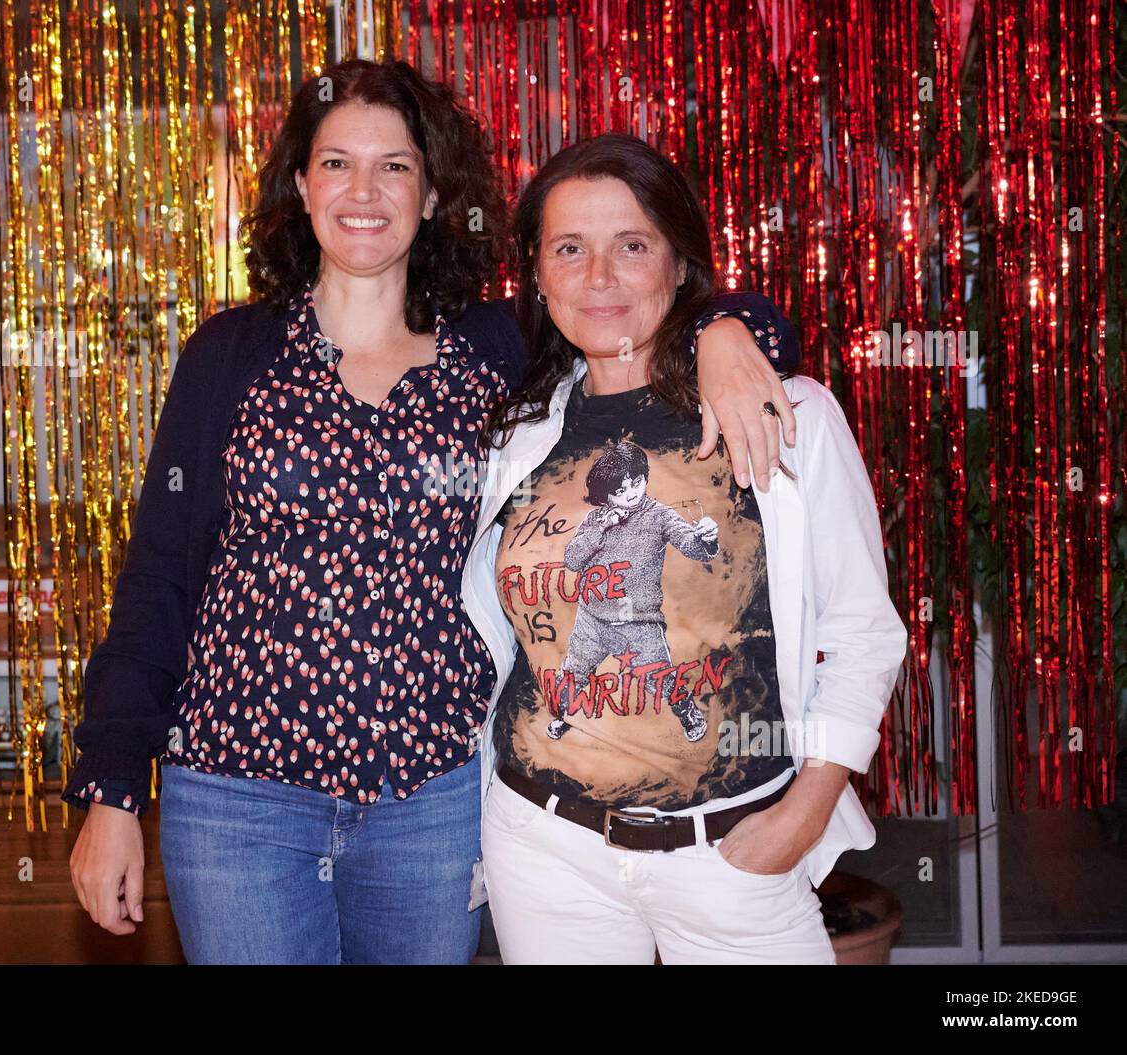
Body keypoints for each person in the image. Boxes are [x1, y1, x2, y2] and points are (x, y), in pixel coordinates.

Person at [65, 61, 797, 965]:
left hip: (433, 804)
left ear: (434, 191)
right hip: (237, 800)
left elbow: (632, 308)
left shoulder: (500, 351)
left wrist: (721, 330)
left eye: (395, 167)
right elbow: (157, 583)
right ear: (302, 185)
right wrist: (112, 789)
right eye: (337, 163)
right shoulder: (230, 355)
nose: (364, 191)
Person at [470, 133, 909, 964]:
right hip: (543, 848)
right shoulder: (517, 434)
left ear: (679, 266)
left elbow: (863, 634)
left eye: (633, 246)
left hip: (732, 855)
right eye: (570, 248)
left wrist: (807, 810)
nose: (600, 276)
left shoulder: (789, 416)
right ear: (537, 272)